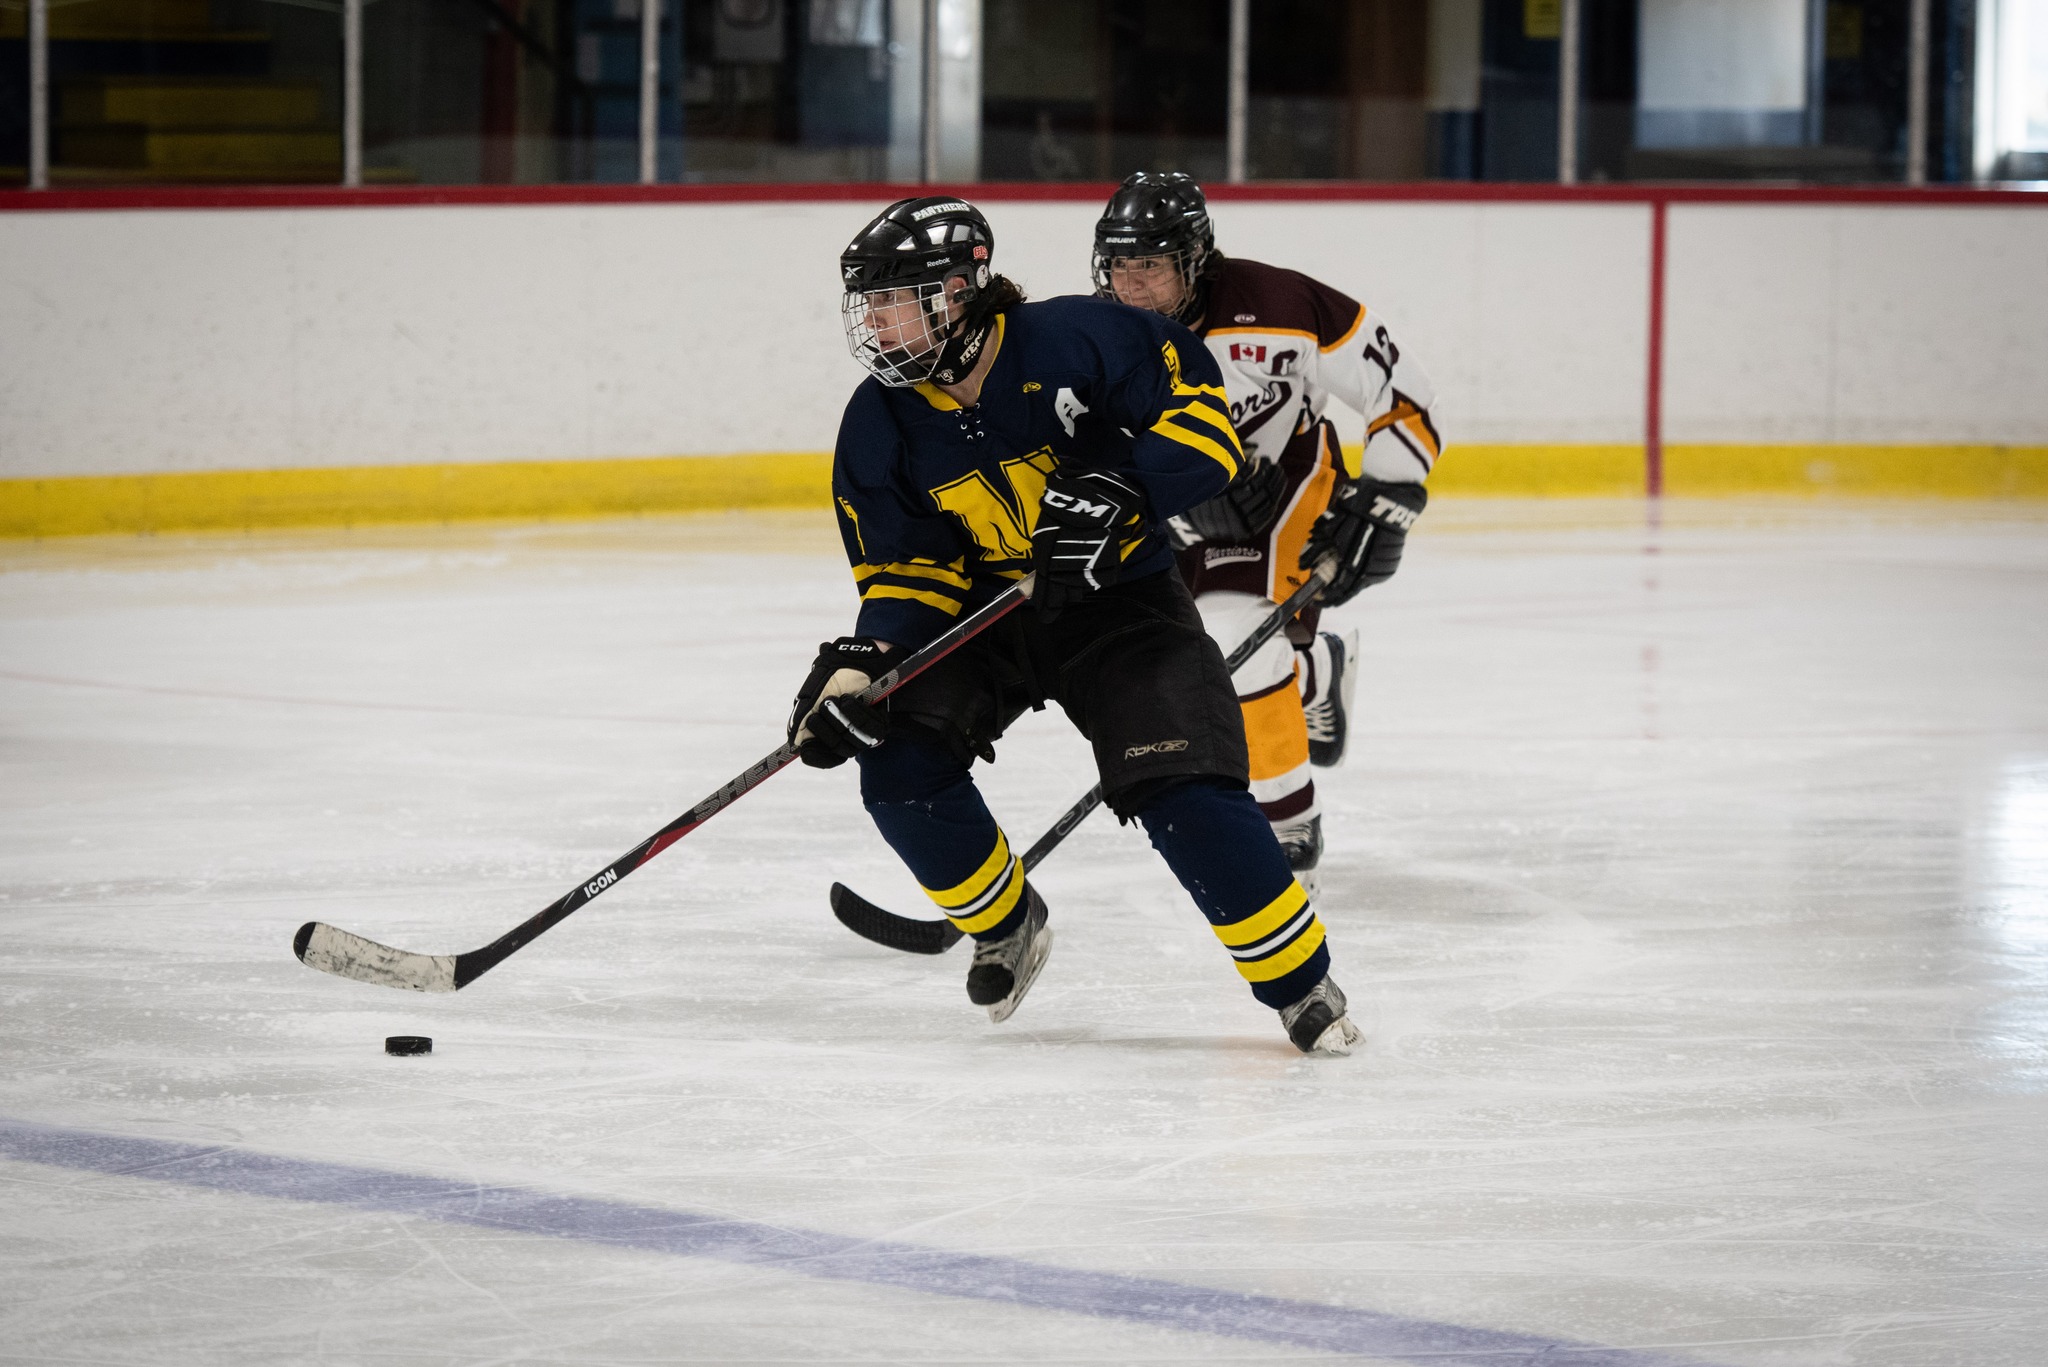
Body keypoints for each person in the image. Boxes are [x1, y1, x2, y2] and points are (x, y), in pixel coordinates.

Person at [785, 195, 1363, 1056]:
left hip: (1118, 601)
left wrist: (1129, 484)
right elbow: (909, 568)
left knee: (1185, 788)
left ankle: (1299, 982)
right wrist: (863, 664)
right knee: (897, 765)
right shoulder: (878, 420)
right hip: (985, 618)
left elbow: (1205, 423)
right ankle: (1007, 923)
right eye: (869, 304)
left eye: (895, 300)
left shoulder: (1078, 338)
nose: (877, 323)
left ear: (957, 291)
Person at [1091, 172, 1442, 896]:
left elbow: (1403, 392)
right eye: (1119, 265)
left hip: (1288, 488)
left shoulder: (1285, 306)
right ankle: (1312, 671)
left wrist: (1390, 492)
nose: (1131, 285)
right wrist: (1180, 508)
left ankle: (1289, 823)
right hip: (1170, 507)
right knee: (1180, 655)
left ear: (1194, 261)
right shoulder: (1092, 339)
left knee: (1232, 635)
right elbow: (1079, 458)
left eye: (1149, 266)